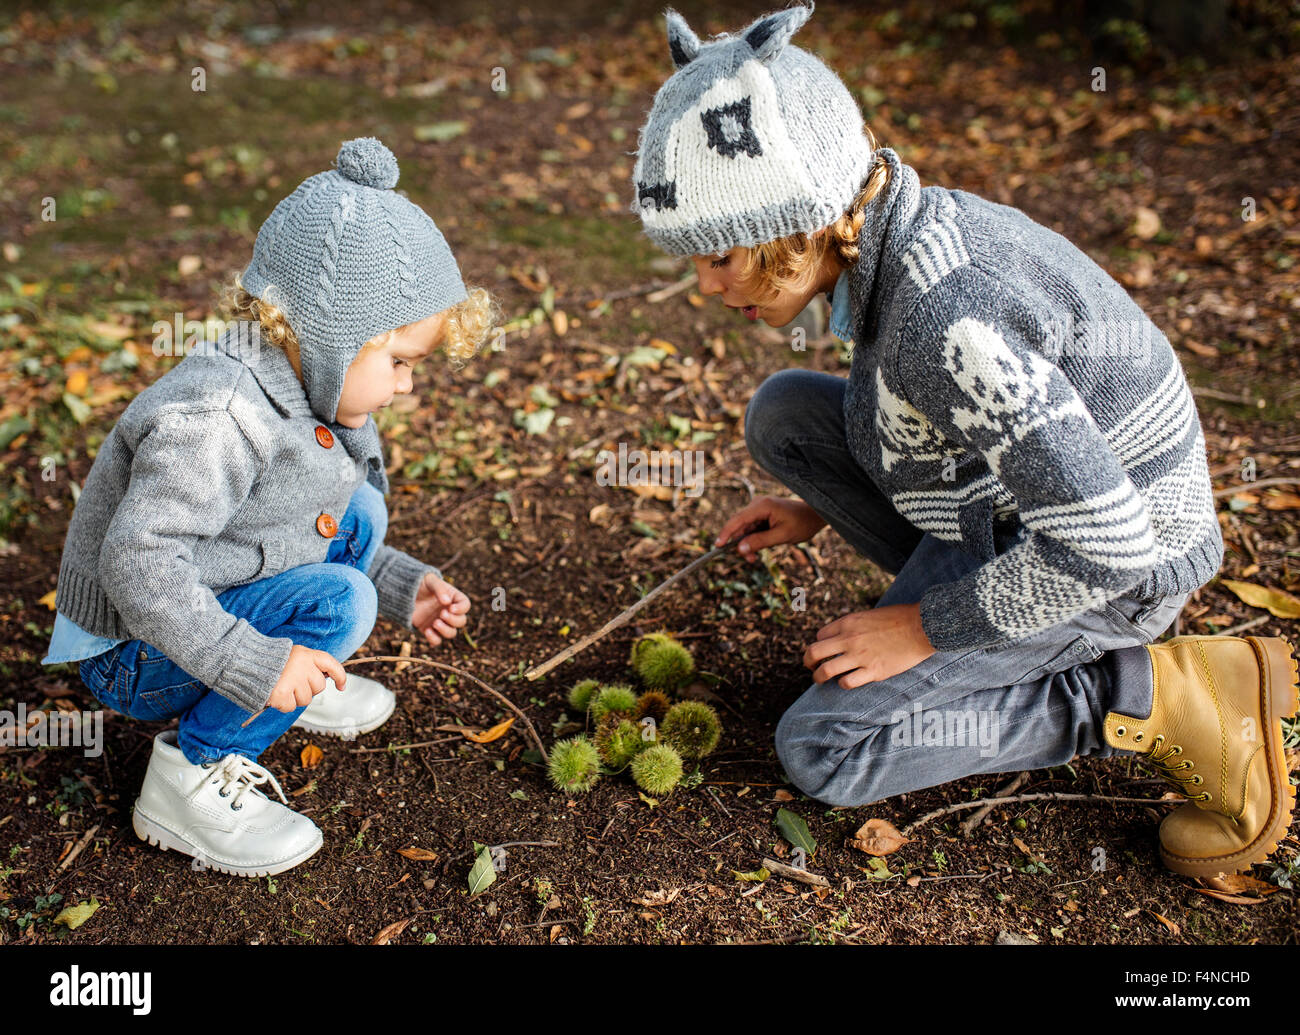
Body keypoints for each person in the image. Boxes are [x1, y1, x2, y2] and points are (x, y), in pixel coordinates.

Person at [630, 3, 1297, 878]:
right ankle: (1004, 624)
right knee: (786, 415)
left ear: (799, 219)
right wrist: (821, 506)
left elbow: (1107, 543)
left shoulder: (946, 319)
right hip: (1023, 505)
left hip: (1117, 563)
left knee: (824, 748)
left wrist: (924, 627)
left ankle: (1155, 695)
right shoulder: (889, 236)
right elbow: (949, 417)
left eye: (722, 255)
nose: (710, 285)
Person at [42, 137, 495, 876]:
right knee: (340, 602)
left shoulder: (311, 389)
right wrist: (250, 659)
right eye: (401, 362)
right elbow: (137, 562)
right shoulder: (221, 417)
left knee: (363, 520)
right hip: (130, 644)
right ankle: (190, 776)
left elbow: (299, 523)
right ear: (330, 340)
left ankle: (296, 679)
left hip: (199, 593)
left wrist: (402, 585)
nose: (408, 385)